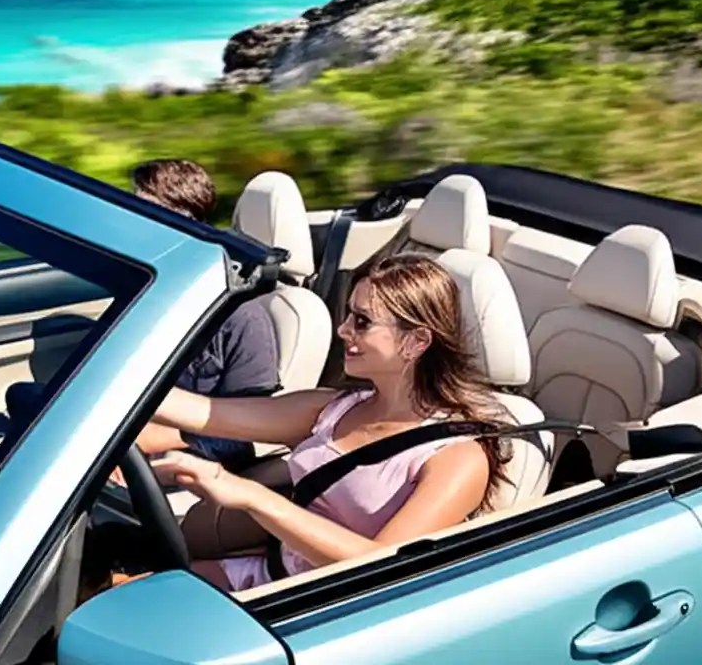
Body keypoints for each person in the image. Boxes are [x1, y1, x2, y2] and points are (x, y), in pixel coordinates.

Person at [146, 253, 514, 592]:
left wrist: (250, 496)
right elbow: (202, 411)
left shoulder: (458, 459)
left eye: (362, 321)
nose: (343, 330)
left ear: (415, 342)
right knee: (119, 595)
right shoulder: (333, 408)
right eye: (349, 314)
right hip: (268, 576)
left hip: (318, 610)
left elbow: (380, 567)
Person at [127, 159, 282, 470]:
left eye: (146, 213)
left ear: (186, 223)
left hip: (195, 460)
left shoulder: (243, 317)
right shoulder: (146, 293)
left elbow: (248, 429)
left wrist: (142, 442)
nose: (133, 222)